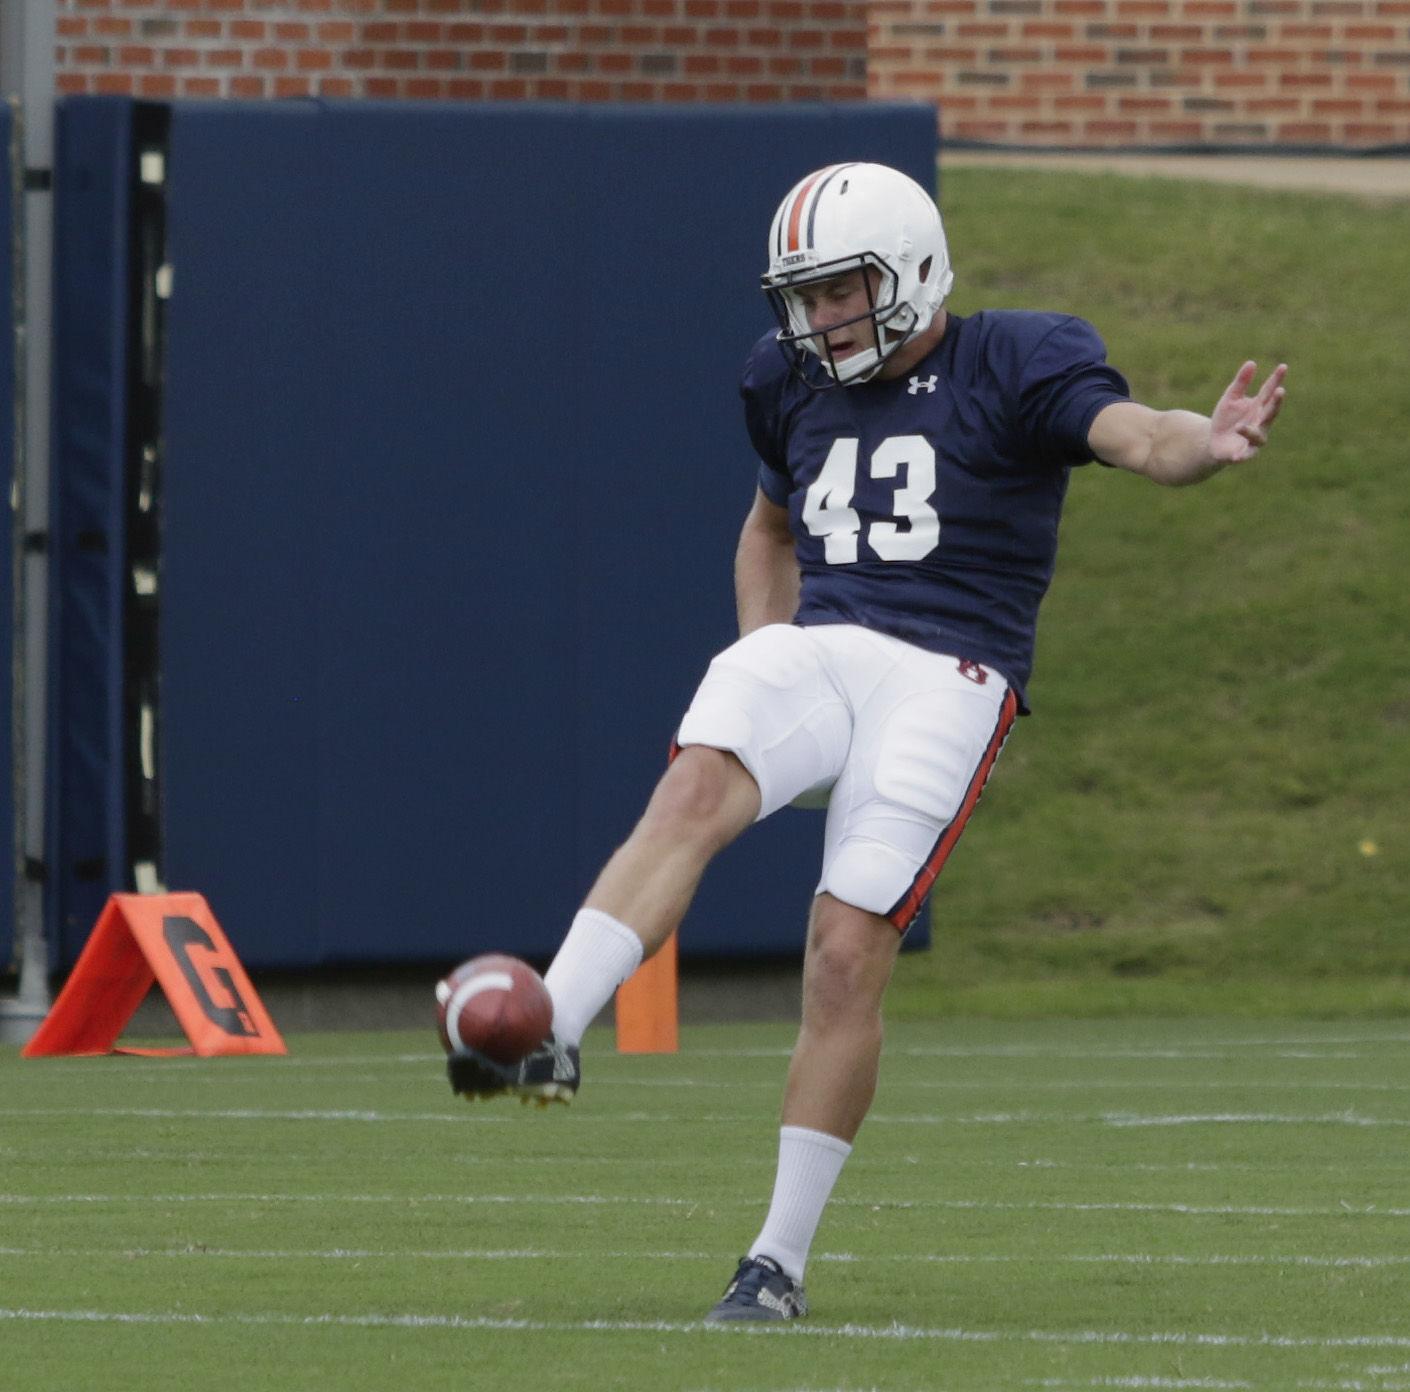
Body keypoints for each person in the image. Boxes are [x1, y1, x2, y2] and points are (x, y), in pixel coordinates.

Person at [446, 161, 1288, 1322]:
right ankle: (553, 1026)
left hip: (954, 673)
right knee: (695, 782)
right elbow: (769, 527)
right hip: (829, 643)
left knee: (844, 954)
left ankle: (776, 1261)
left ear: (914, 269)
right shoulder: (782, 380)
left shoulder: (1016, 357)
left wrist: (1210, 439)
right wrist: (764, 666)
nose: (819, 316)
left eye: (843, 288)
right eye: (805, 293)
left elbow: (1139, 437)